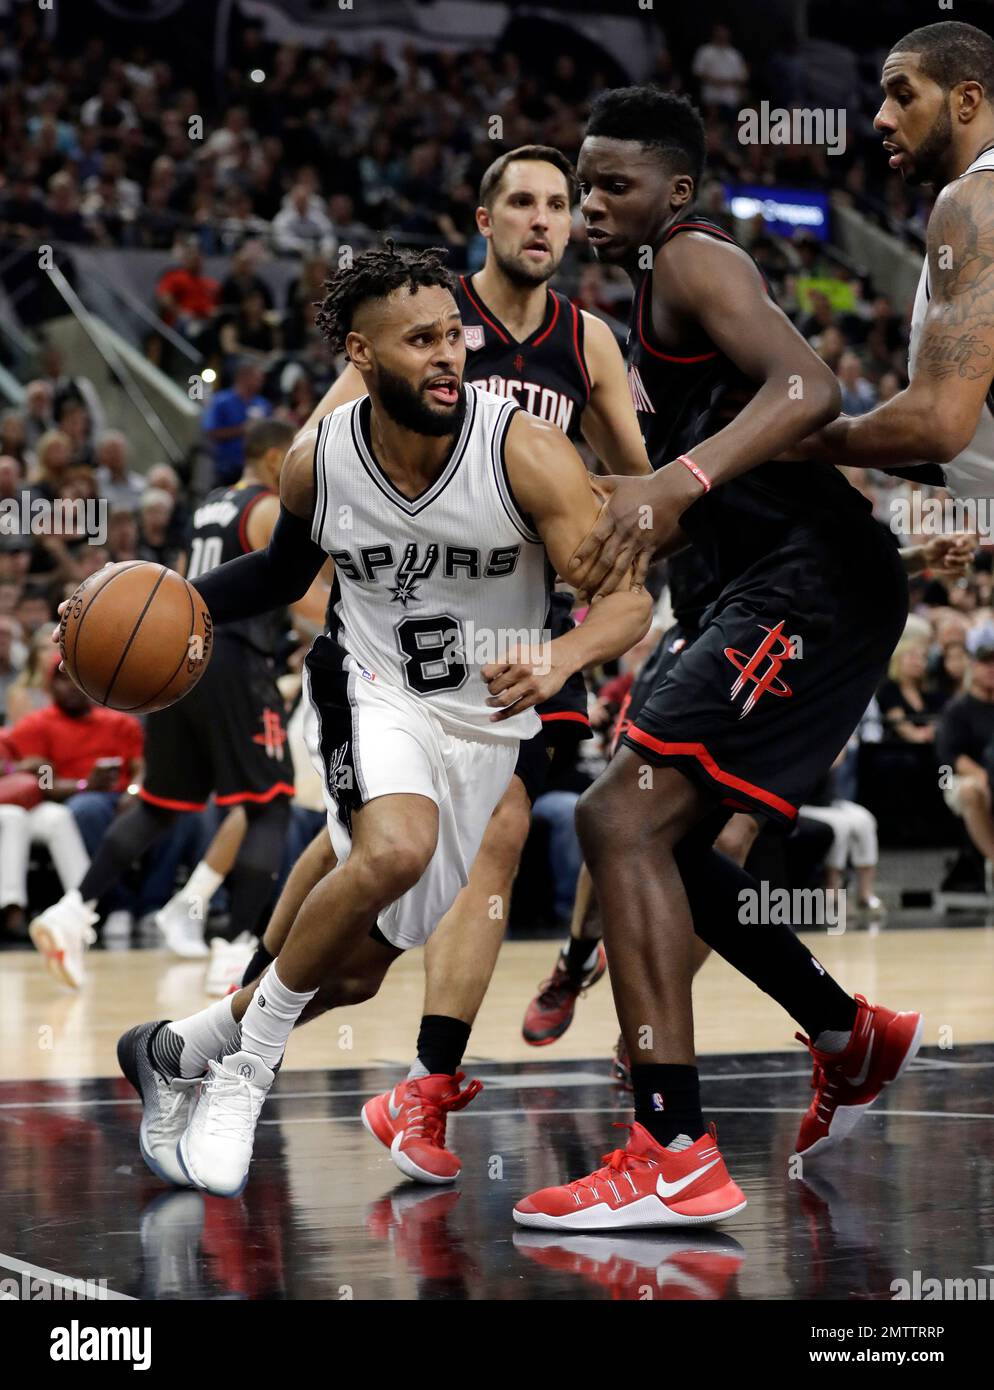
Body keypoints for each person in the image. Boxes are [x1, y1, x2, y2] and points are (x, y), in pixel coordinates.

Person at [114, 242, 651, 1199]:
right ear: (360, 357)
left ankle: (175, 1047)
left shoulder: (525, 449)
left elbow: (626, 603)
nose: (449, 356)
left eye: (455, 335)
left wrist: (564, 656)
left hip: (486, 722)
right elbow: (281, 577)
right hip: (376, 689)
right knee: (394, 848)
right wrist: (171, 603)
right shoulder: (322, 461)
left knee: (359, 970)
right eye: (420, 342)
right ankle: (246, 1073)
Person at [513, 85, 923, 1233]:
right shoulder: (651, 292)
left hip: (813, 582)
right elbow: (707, 474)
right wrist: (618, 523)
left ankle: (672, 1147)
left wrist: (672, 485)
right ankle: (848, 1034)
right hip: (771, 584)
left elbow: (810, 385)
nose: (591, 206)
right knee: (675, 851)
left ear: (677, 191)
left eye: (612, 185)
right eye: (582, 185)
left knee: (616, 819)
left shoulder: (695, 256)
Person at [237, 144, 658, 1182]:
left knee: (495, 837)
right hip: (393, 646)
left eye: (561, 204)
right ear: (482, 216)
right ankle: (257, 1007)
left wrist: (581, 503)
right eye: (522, 200)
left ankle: (415, 1078)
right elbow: (309, 476)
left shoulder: (588, 343)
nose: (544, 220)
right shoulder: (413, 317)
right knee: (378, 858)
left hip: (523, 643)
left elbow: (646, 495)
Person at [31, 420, 327, 989]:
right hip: (237, 661)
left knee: (162, 805)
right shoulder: (266, 507)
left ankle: (72, 912)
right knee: (270, 806)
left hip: (175, 665)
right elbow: (295, 591)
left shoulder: (207, 506)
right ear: (271, 459)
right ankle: (237, 945)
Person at [1, 658, 142, 951]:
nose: (73, 687)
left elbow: (41, 779)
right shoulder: (35, 726)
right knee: (16, 817)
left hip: (41, 804)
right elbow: (41, 778)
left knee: (58, 819)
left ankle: (82, 910)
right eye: (65, 679)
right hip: (24, 801)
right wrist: (79, 785)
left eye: (79, 680)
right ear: (50, 687)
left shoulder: (116, 723)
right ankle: (12, 913)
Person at [936, 646, 994, 883]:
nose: (991, 669)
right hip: (962, 777)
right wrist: (983, 776)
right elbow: (949, 757)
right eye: (985, 663)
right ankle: (992, 857)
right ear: (973, 668)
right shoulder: (957, 709)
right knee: (973, 791)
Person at [202, 360, 271, 487]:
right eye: (257, 377)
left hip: (255, 469)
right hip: (226, 468)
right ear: (243, 377)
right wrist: (243, 429)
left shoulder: (262, 403)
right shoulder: (221, 400)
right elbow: (211, 431)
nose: (261, 382)